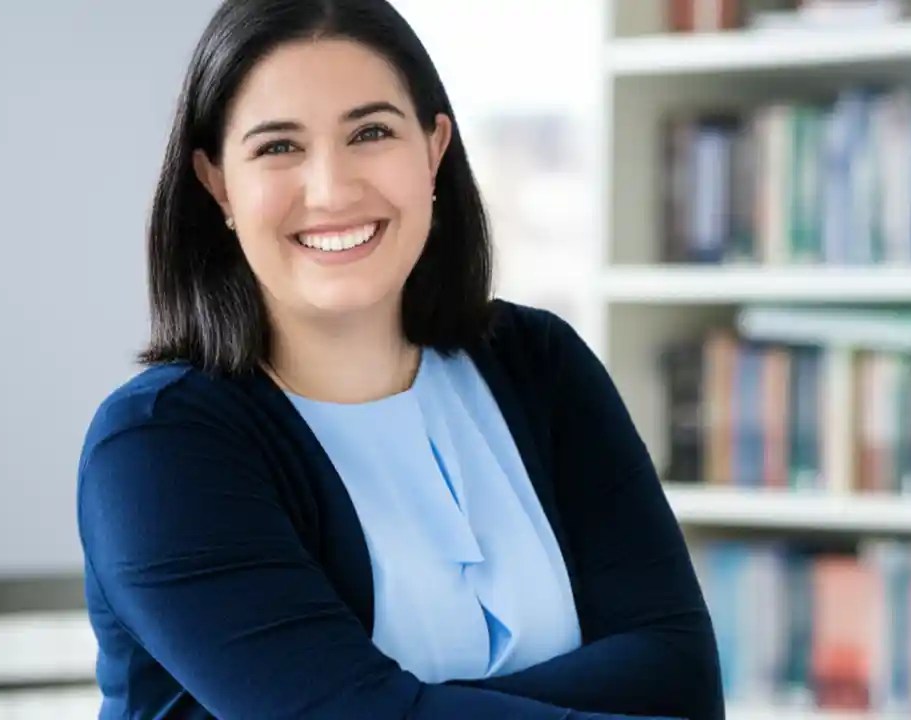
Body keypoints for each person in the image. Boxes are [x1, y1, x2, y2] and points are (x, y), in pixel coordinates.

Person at [76, 0, 724, 718]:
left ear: (433, 149)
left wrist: (407, 704)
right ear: (217, 184)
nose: (332, 189)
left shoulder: (540, 365)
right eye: (278, 147)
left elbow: (682, 680)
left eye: (372, 131)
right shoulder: (159, 448)